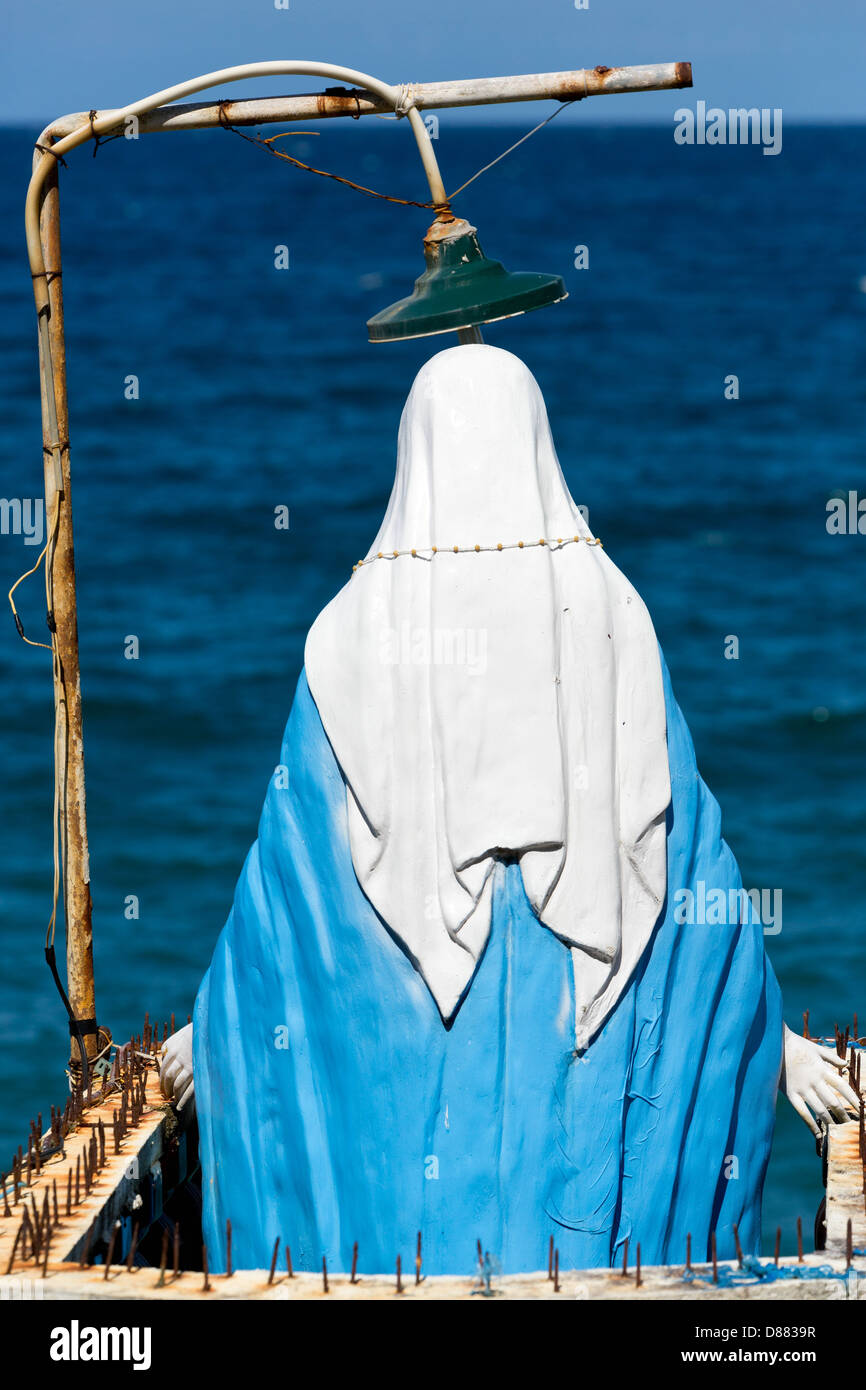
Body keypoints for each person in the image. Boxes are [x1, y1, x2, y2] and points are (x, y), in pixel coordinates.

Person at [161, 345, 856, 1275]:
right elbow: (689, 874)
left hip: (402, 1089)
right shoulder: (612, 613)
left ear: (414, 450)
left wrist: (231, 1030)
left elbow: (293, 907)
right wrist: (768, 1042)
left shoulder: (349, 634)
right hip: (590, 1042)